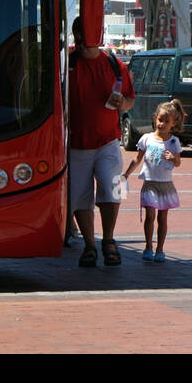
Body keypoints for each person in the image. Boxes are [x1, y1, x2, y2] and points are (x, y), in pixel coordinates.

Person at [67, 15, 135, 267]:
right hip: (76, 143)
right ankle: (89, 245)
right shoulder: (67, 63)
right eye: (78, 38)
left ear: (98, 38)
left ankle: (108, 239)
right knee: (79, 196)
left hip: (107, 140)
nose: (82, 44)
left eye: (87, 39)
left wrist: (123, 104)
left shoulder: (116, 65)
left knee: (111, 187)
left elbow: (129, 99)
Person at [122, 100, 183, 262]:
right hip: (149, 183)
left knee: (162, 219)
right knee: (150, 216)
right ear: (155, 118)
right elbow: (137, 159)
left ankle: (160, 249)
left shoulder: (173, 142)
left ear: (173, 124)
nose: (161, 124)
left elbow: (178, 163)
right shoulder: (147, 138)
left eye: (166, 121)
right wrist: (126, 174)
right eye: (159, 119)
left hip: (165, 185)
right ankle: (148, 246)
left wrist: (173, 158)